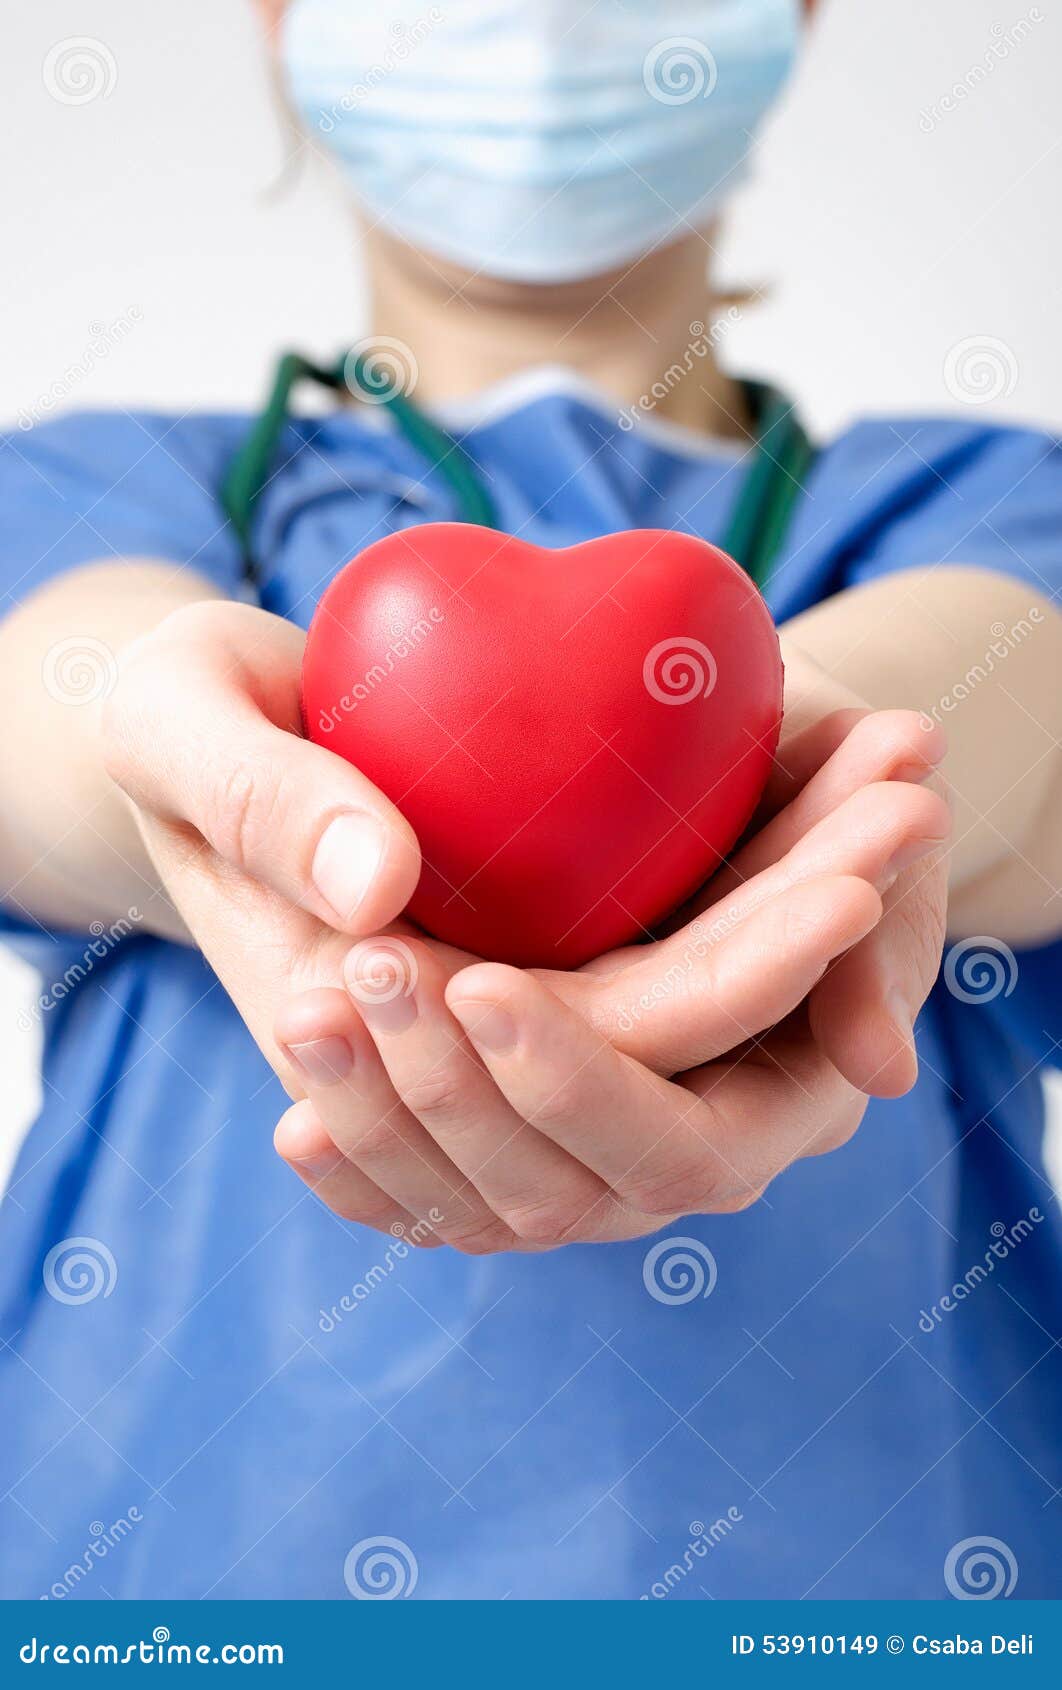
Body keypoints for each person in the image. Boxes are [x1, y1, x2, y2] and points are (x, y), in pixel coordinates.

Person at [0, 0, 1060, 1602]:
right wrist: (180, 765)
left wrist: (814, 755)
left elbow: (1012, 716)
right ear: (284, 20)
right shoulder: (121, 486)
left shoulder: (969, 501)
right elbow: (52, 721)